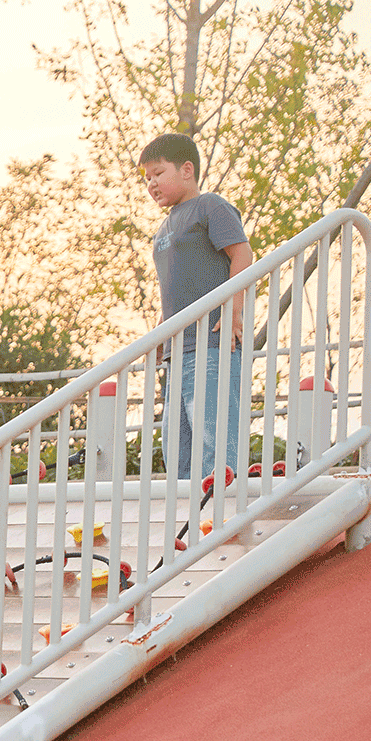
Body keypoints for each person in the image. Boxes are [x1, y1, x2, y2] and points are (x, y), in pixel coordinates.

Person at [139, 132, 254, 480]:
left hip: (212, 345)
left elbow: (242, 254)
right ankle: (189, 525)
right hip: (178, 351)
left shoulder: (210, 207)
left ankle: (217, 520)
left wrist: (233, 311)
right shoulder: (164, 227)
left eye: (158, 173)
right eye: (147, 179)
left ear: (186, 169)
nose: (151, 184)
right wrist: (160, 335)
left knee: (214, 442)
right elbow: (175, 288)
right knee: (177, 447)